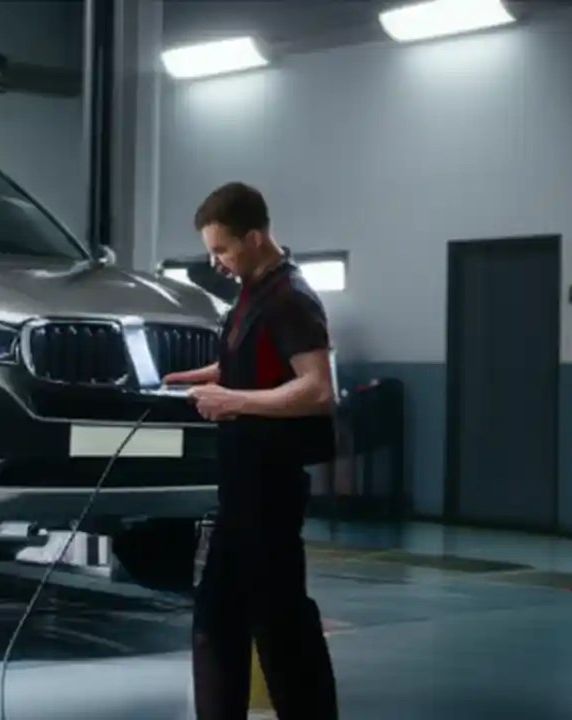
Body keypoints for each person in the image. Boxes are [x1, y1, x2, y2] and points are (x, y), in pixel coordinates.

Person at [163, 182, 339, 719]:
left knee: (277, 621)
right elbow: (256, 364)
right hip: (241, 485)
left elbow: (316, 388)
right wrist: (195, 379)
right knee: (223, 617)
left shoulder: (291, 299)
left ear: (255, 237)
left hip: (271, 486)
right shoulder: (250, 293)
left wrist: (231, 399)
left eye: (222, 249)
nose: (216, 261)